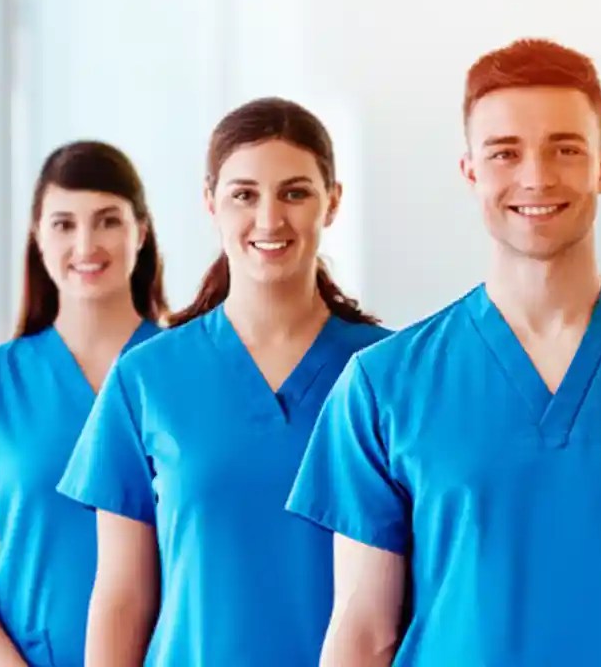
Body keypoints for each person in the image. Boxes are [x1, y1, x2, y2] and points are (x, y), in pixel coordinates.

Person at [287, 38, 601, 667]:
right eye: (505, 153)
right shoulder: (382, 386)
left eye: (565, 149)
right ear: (470, 171)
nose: (536, 177)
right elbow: (363, 634)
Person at [57, 97, 388, 666]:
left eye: (295, 193)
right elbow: (121, 597)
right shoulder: (147, 377)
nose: (269, 219)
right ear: (210, 202)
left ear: (332, 201)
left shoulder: (387, 372)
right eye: (244, 195)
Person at [0, 141, 167, 666]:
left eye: (108, 221)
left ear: (140, 231)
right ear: (37, 235)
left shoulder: (186, 374)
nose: (86, 244)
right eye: (63, 224)